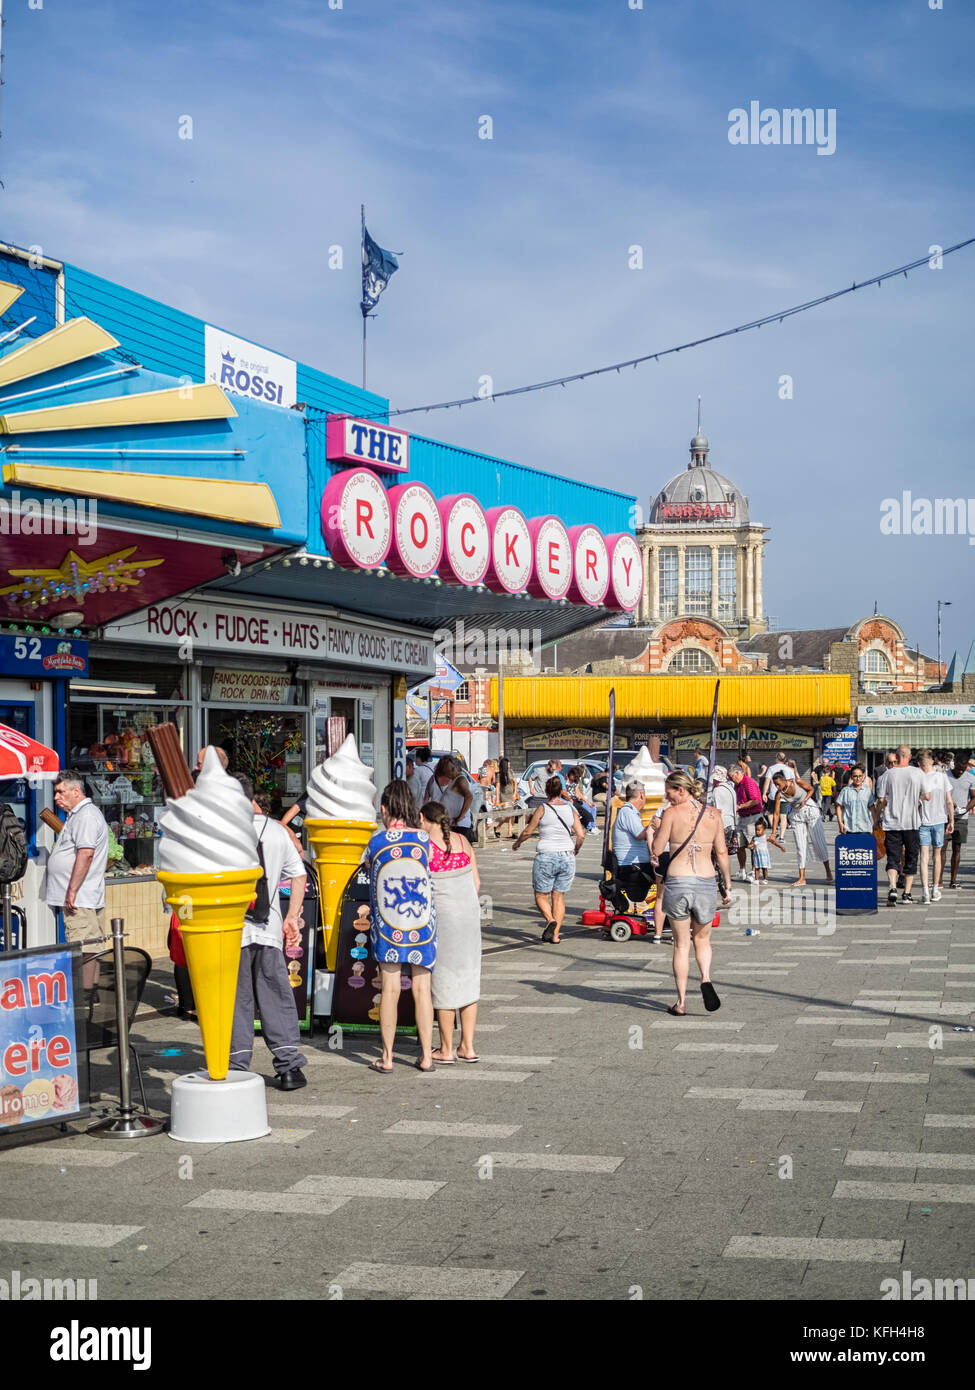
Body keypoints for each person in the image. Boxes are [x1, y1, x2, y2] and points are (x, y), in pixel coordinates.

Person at [226, 774, 308, 1088]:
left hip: (232, 931)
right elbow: (298, 875)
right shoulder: (276, 831)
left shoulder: (224, 831)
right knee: (276, 995)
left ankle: (236, 1065)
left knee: (237, 1000)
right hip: (269, 928)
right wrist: (292, 916)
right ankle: (288, 1066)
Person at [365, 780, 436, 1073]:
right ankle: (427, 1057)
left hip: (388, 927)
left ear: (384, 809)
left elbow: (368, 867)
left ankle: (388, 1057)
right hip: (422, 925)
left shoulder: (376, 841)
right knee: (422, 989)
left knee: (390, 989)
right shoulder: (423, 838)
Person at [652, 771, 729, 1016]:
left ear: (681, 790)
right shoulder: (714, 814)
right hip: (706, 882)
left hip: (679, 881)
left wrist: (655, 831)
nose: (667, 797)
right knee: (703, 940)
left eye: (669, 792)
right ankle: (705, 977)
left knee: (681, 945)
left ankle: (682, 1002)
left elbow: (657, 848)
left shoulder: (671, 813)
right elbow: (722, 853)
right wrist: (727, 884)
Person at [420, 800, 482, 1064]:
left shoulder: (425, 848)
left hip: (443, 922)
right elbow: (476, 883)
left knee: (443, 982)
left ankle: (445, 1049)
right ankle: (467, 1046)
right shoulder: (463, 841)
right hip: (470, 919)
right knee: (469, 979)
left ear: (423, 819)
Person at [45, 772, 110, 965]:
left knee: (85, 951)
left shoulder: (86, 816)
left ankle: (86, 993)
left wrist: (71, 890)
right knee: (89, 947)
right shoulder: (78, 815)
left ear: (75, 791)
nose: (56, 797)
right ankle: (88, 992)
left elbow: (86, 853)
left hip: (79, 898)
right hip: (79, 897)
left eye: (60, 792)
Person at [512, 775, 584, 943]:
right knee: (558, 897)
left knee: (540, 895)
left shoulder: (542, 808)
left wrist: (518, 843)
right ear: (561, 791)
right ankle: (556, 935)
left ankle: (550, 920)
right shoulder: (571, 810)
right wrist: (576, 849)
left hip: (546, 856)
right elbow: (580, 835)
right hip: (567, 855)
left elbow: (528, 831)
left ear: (546, 791)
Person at [874, 744, 925, 906]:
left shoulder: (887, 775)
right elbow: (926, 795)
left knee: (893, 857)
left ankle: (892, 887)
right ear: (909, 756)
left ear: (896, 757)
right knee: (911, 858)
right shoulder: (918, 773)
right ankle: (907, 893)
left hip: (892, 822)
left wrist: (876, 817)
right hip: (911, 822)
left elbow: (881, 800)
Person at [609, 780, 661, 938]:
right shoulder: (628, 812)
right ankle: (664, 916)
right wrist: (657, 826)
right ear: (642, 795)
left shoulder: (628, 812)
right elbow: (641, 834)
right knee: (667, 877)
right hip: (634, 868)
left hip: (634, 865)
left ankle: (660, 913)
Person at [771, 770, 832, 887]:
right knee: (800, 846)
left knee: (819, 842)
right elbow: (776, 814)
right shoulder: (779, 794)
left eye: (778, 784)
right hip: (796, 815)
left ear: (784, 780)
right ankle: (802, 878)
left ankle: (828, 871)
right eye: (775, 785)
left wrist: (805, 800)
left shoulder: (796, 781)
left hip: (810, 809)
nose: (777, 786)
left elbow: (811, 789)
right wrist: (774, 833)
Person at [917, 749, 953, 904]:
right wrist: (951, 820)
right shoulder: (942, 777)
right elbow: (949, 801)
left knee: (924, 857)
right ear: (932, 761)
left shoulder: (917, 778)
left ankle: (925, 891)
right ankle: (935, 889)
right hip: (939, 820)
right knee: (937, 856)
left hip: (922, 821)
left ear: (919, 763)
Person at [426, 756, 474, 842]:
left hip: (460, 826)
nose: (446, 776)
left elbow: (469, 796)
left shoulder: (460, 780)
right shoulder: (454, 780)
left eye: (446, 773)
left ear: (451, 770)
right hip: (454, 825)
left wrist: (461, 816)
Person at [946, 753, 975, 890]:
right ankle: (938, 881)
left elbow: (974, 797)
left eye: (963, 769)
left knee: (957, 848)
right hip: (944, 817)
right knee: (941, 848)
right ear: (954, 763)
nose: (960, 771)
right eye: (958, 768)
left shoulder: (970, 778)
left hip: (961, 818)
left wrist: (965, 809)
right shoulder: (945, 776)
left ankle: (953, 880)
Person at [708, 766, 737, 907]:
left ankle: (724, 892)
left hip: (722, 826)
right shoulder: (730, 788)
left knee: (717, 858)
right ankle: (727, 890)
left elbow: (717, 811)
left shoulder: (718, 790)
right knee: (722, 857)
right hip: (731, 825)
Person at [729, 764, 763, 881]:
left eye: (731, 777)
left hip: (752, 817)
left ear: (737, 773)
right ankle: (742, 871)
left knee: (753, 845)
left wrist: (740, 806)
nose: (730, 779)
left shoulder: (748, 782)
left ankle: (753, 872)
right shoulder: (737, 785)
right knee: (740, 845)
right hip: (742, 817)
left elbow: (755, 800)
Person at [835, 764, 876, 835]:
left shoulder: (868, 791)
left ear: (863, 777)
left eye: (860, 776)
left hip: (865, 829)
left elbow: (872, 808)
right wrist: (840, 823)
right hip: (849, 829)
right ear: (851, 777)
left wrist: (876, 822)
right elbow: (839, 807)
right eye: (855, 776)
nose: (858, 779)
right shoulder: (845, 791)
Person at [565, 764, 597, 832]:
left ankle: (593, 826)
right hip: (568, 800)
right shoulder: (564, 780)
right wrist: (569, 799)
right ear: (571, 773)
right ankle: (589, 827)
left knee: (592, 808)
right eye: (574, 776)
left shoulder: (575, 781)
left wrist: (587, 802)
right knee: (583, 811)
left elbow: (577, 793)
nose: (574, 778)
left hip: (576, 800)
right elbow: (563, 792)